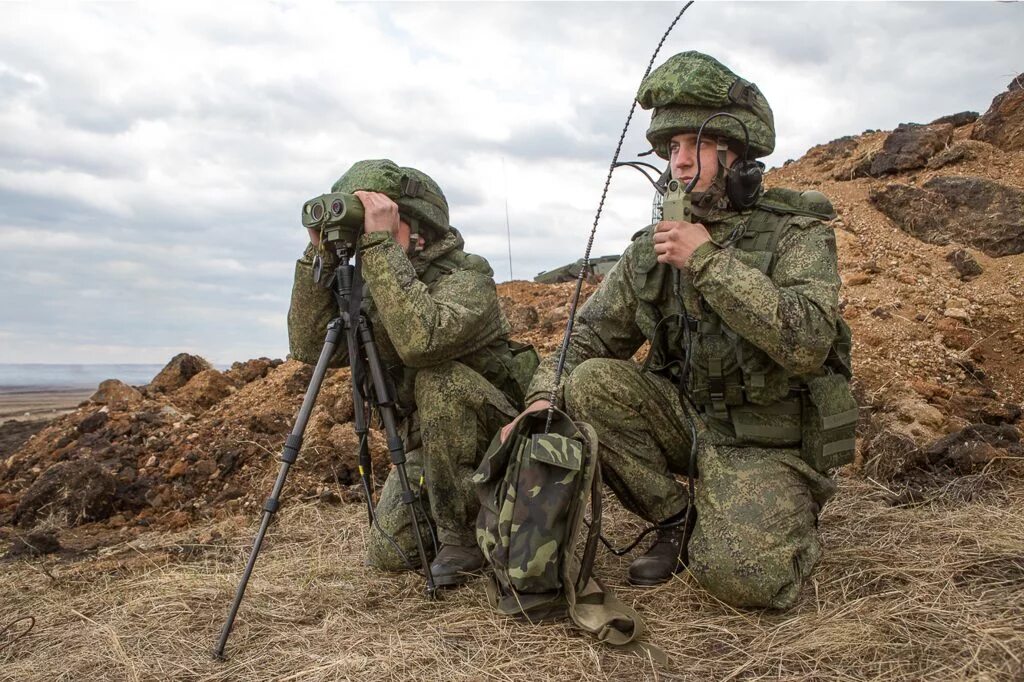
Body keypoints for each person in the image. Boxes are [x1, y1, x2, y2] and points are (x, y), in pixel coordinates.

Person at [509, 51, 854, 610]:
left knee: (746, 579)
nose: (681, 161)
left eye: (698, 144)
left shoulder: (795, 231)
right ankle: (676, 516)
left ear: (737, 157)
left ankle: (781, 507)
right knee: (591, 382)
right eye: (672, 147)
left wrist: (707, 262)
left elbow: (809, 340)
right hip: (687, 422)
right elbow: (586, 338)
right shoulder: (652, 249)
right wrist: (541, 397)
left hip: (764, 442)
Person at [288, 159, 535, 587]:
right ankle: (467, 516)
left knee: (440, 380)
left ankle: (463, 538)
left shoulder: (468, 276)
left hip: (500, 444)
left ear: (420, 227)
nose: (366, 235)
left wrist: (380, 248)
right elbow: (309, 347)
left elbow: (423, 340)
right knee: (392, 553)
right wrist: (320, 256)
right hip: (433, 450)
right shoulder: (376, 286)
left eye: (378, 220)